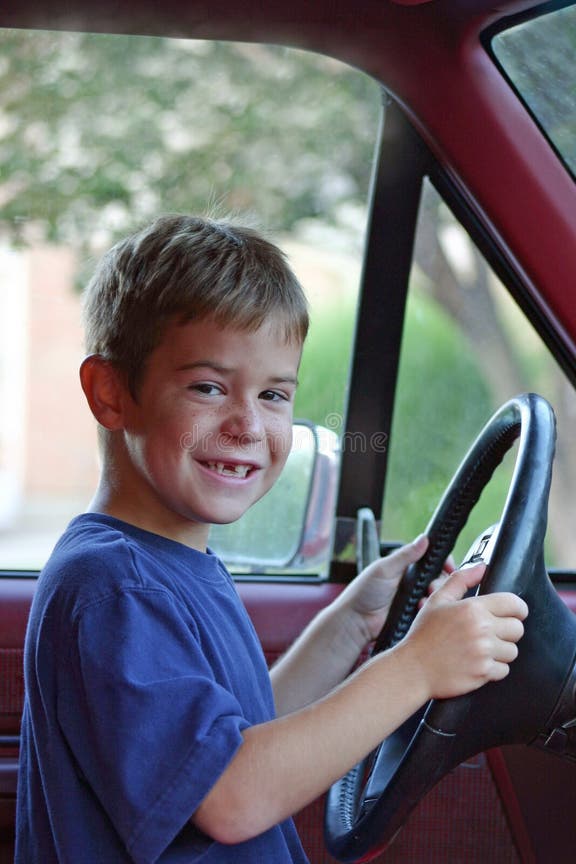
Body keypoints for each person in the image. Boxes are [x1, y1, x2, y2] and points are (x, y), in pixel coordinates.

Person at [15, 215, 528, 863]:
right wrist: (416, 667)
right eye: (208, 387)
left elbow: (245, 734)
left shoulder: (171, 562)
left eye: (275, 394)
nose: (248, 424)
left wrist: (354, 622)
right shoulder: (118, 588)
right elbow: (231, 796)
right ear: (111, 393)